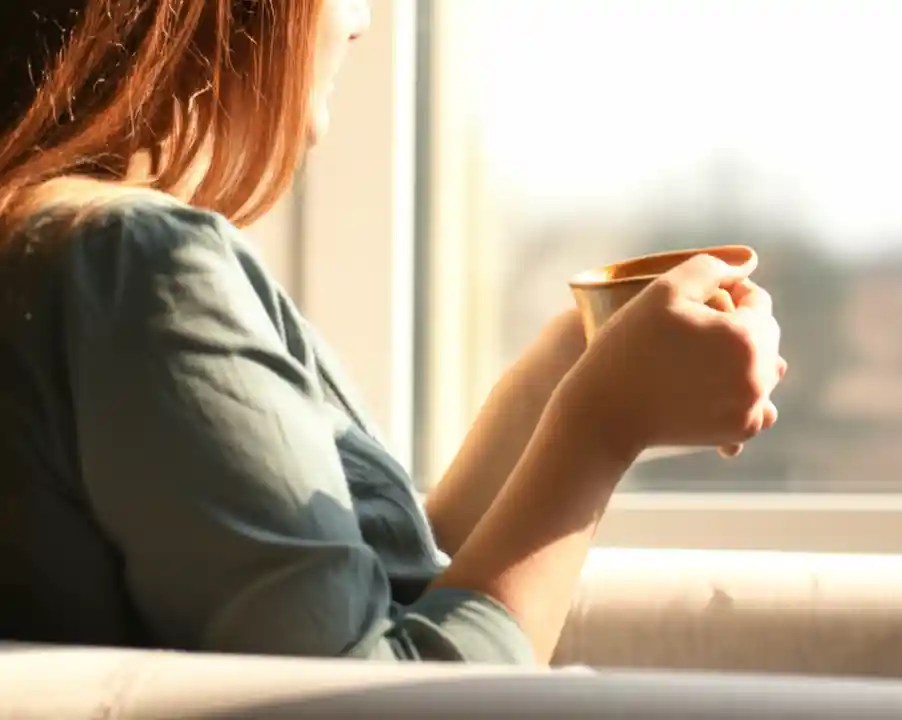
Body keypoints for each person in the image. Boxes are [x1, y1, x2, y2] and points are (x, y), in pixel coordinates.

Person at [0, 0, 785, 665]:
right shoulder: (139, 264)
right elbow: (372, 696)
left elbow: (340, 593)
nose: (367, 19)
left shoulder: (59, 253)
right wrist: (602, 428)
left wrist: (566, 375)